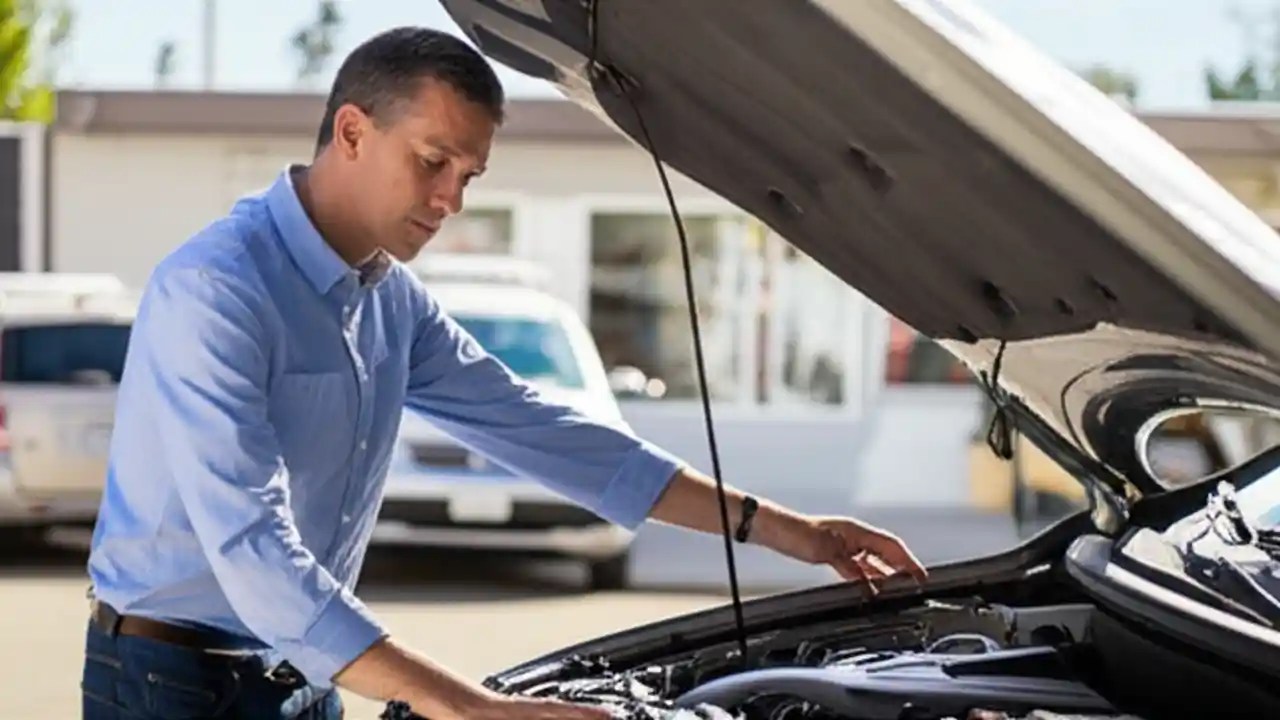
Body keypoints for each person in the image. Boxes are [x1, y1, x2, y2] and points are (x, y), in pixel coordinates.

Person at [80, 26, 927, 720]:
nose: (451, 201)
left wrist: (794, 534)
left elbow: (549, 433)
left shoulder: (390, 302)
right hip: (168, 681)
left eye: (469, 176)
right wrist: (479, 711)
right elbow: (255, 549)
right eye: (433, 161)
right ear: (351, 132)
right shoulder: (219, 289)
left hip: (304, 673)